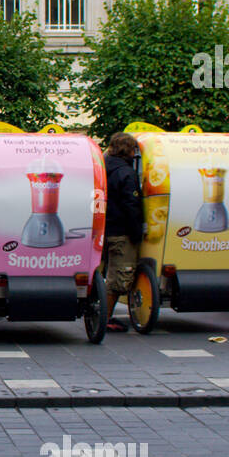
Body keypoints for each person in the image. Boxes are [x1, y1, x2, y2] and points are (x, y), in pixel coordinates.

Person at [103, 132, 144, 332]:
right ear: (128, 150)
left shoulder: (101, 167)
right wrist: (137, 232)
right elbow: (131, 205)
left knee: (103, 271)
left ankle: (97, 312)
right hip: (121, 230)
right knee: (119, 276)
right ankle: (106, 317)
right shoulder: (126, 173)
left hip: (102, 228)